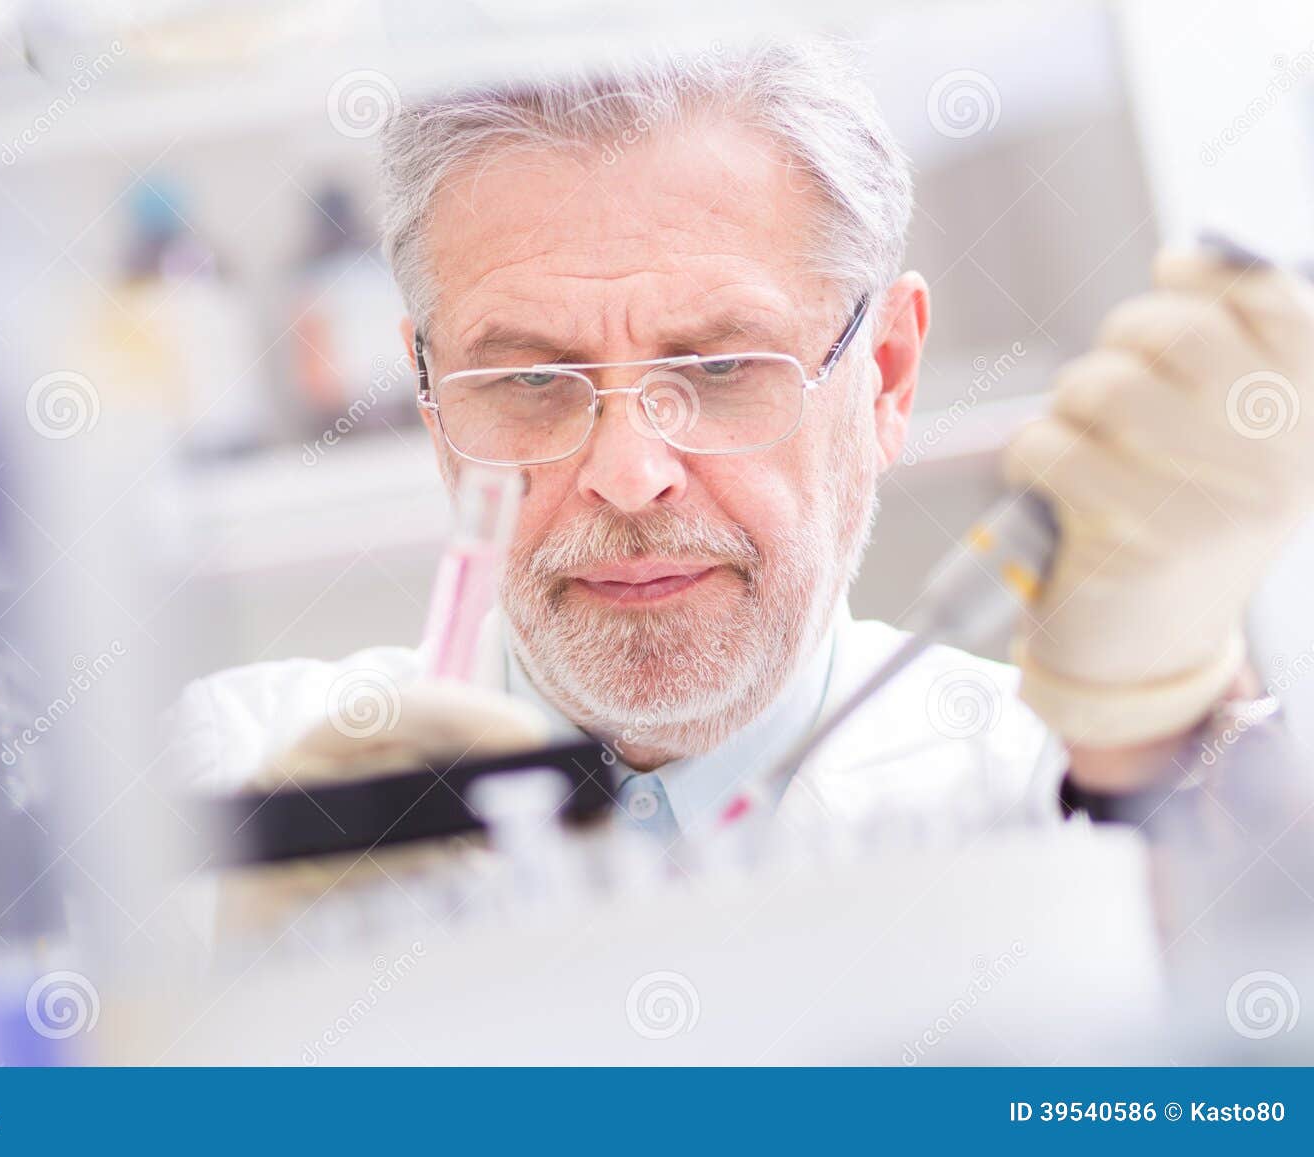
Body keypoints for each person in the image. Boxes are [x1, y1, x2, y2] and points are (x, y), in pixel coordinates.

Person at [170, 41, 1314, 846]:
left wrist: (1156, 724)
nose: (627, 471)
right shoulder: (234, 781)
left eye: (717, 367)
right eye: (527, 379)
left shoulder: (1049, 787)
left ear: (886, 374)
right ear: (429, 402)